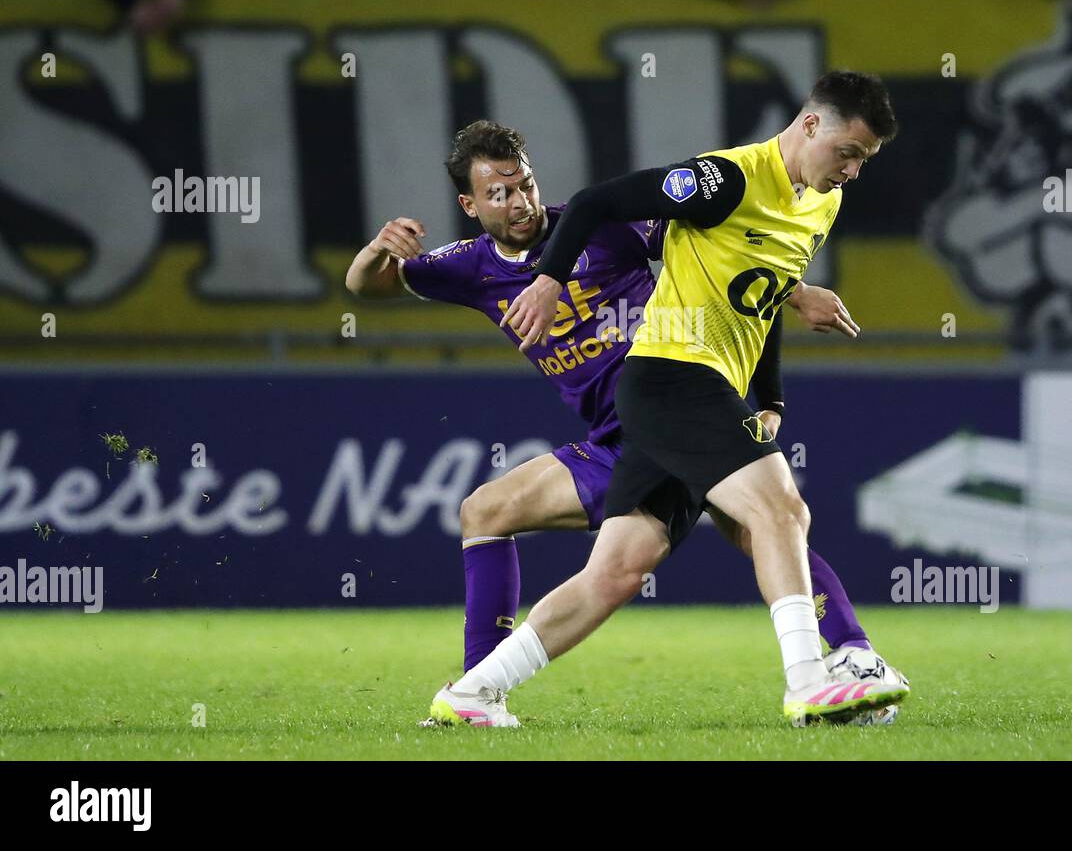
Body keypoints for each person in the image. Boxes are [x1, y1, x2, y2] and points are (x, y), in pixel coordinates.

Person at [345, 119, 902, 727]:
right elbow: (366, 287)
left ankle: (850, 655)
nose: (520, 203)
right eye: (499, 194)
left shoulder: (605, 232)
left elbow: (731, 267)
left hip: (678, 398)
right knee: (501, 517)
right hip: (617, 438)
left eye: (525, 185)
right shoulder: (470, 267)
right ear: (469, 204)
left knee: (762, 521)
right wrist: (378, 250)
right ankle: (479, 687)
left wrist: (791, 304)